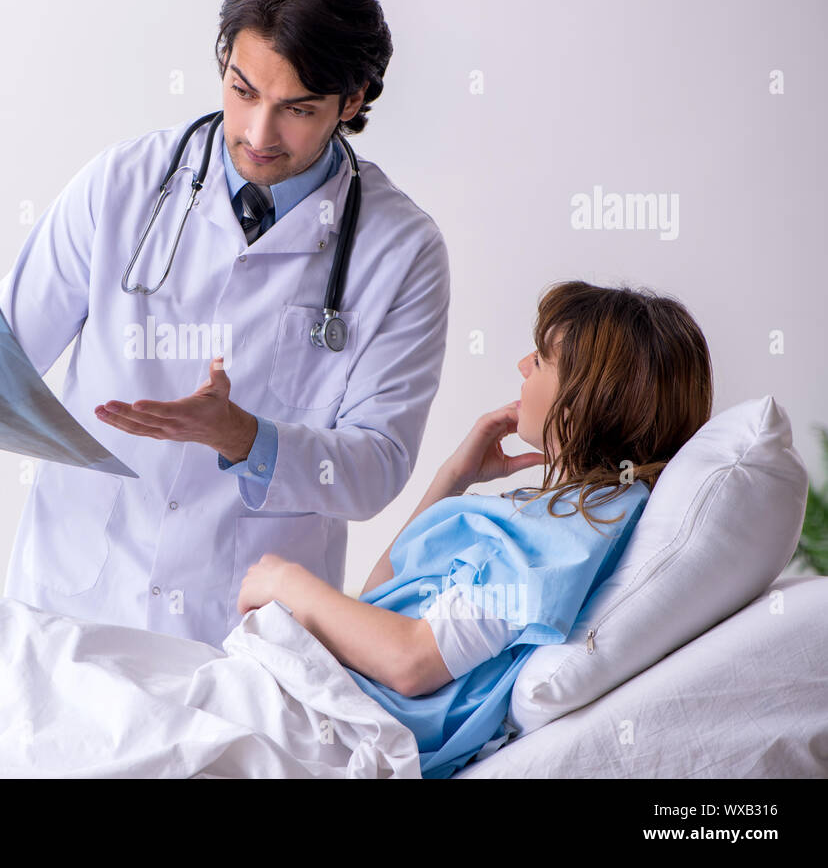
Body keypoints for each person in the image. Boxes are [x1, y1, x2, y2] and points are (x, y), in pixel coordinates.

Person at [0, 0, 452, 648]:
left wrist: (244, 438)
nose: (258, 133)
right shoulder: (124, 185)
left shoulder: (402, 251)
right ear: (224, 61)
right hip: (75, 606)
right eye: (242, 89)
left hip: (244, 639)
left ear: (352, 100)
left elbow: (375, 468)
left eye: (297, 110)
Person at [235, 280, 714, 777]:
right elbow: (385, 595)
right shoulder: (561, 515)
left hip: (335, 727)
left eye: (543, 360)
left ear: (588, 401)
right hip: (323, 706)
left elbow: (410, 662)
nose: (523, 366)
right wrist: (454, 478)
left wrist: (287, 582)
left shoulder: (566, 536)